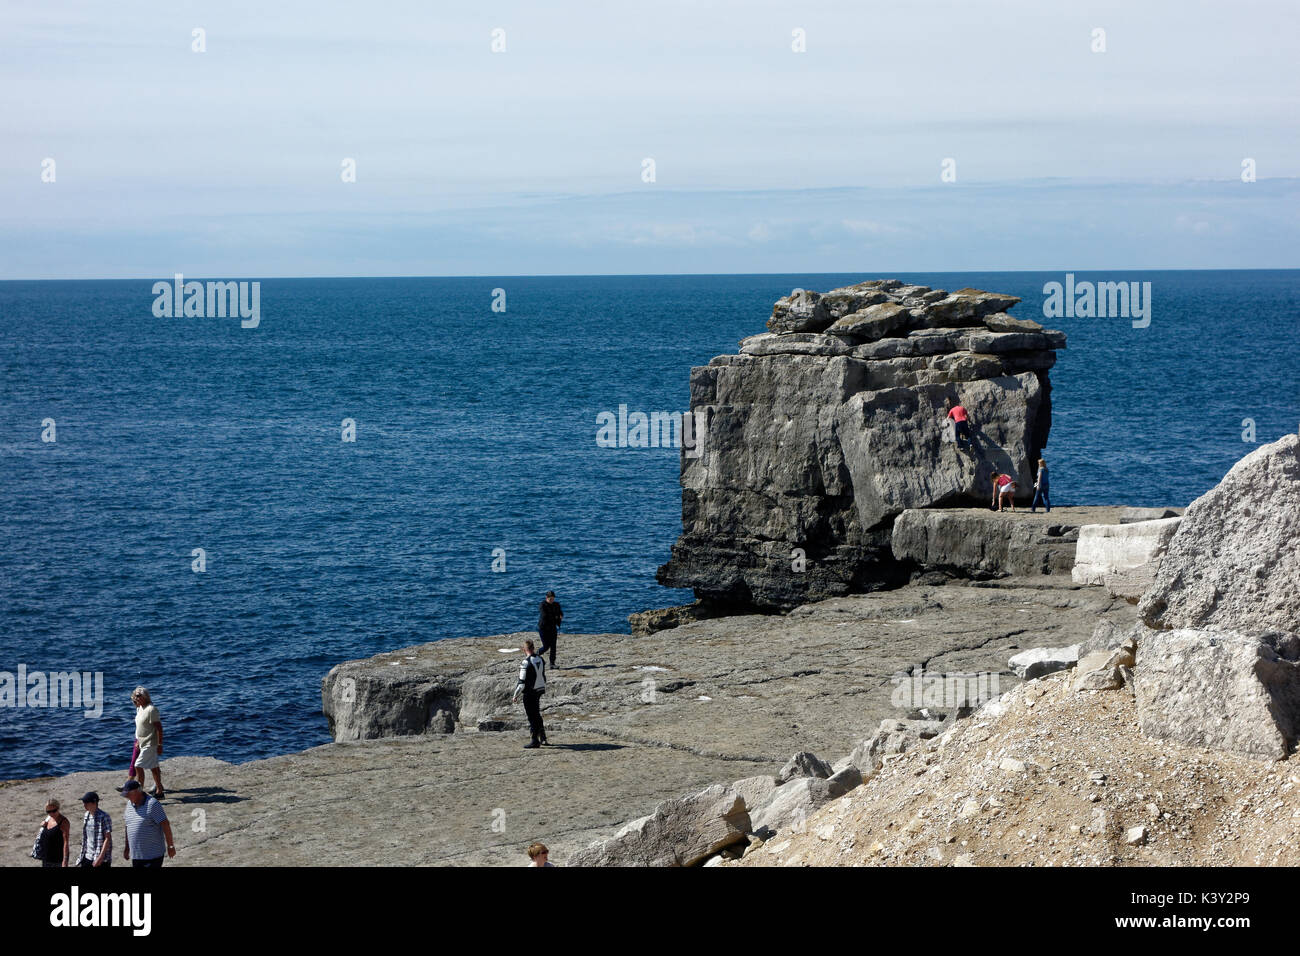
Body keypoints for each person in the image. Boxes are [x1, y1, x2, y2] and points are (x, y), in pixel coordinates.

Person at [120, 779, 175, 867]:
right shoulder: (129, 805)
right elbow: (128, 826)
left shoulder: (152, 804)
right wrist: (127, 847)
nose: (127, 796)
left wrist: (170, 846)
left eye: (128, 794)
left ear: (137, 791)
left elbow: (165, 825)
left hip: (152, 855)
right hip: (136, 855)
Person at [512, 639, 548, 749]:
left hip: (530, 692)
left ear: (524, 650)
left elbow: (521, 683)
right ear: (533, 648)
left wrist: (515, 695)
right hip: (539, 689)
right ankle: (543, 737)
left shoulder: (526, 662)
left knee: (532, 716)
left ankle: (534, 740)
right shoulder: (540, 659)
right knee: (536, 713)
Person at [131, 686, 165, 799]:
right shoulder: (139, 708)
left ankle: (139, 792)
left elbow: (159, 728)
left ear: (145, 697)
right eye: (136, 696)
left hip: (150, 743)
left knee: (138, 765)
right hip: (142, 742)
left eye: (139, 696)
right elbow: (139, 727)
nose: (137, 698)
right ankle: (160, 790)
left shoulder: (151, 710)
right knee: (153, 767)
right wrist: (137, 740)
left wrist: (160, 744)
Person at [78, 792, 112, 867]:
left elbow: (107, 838)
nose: (84, 805)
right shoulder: (86, 815)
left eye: (86, 802)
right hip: (87, 856)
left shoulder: (104, 816)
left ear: (94, 803)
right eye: (83, 802)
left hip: (100, 859)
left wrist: (100, 858)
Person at [36, 798, 70, 868]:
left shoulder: (64, 822)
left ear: (58, 808)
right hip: (46, 859)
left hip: (57, 861)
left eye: (54, 811)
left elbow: (66, 843)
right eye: (48, 811)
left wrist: (65, 860)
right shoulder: (48, 819)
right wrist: (43, 825)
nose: (51, 813)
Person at [536, 591, 563, 668]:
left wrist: (559, 616)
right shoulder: (542, 605)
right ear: (546, 598)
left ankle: (552, 663)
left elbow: (560, 613)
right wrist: (556, 616)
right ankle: (536, 654)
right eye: (550, 599)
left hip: (552, 627)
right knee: (546, 646)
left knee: (553, 646)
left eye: (553, 599)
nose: (552, 600)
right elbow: (545, 616)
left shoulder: (556, 605)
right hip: (543, 628)